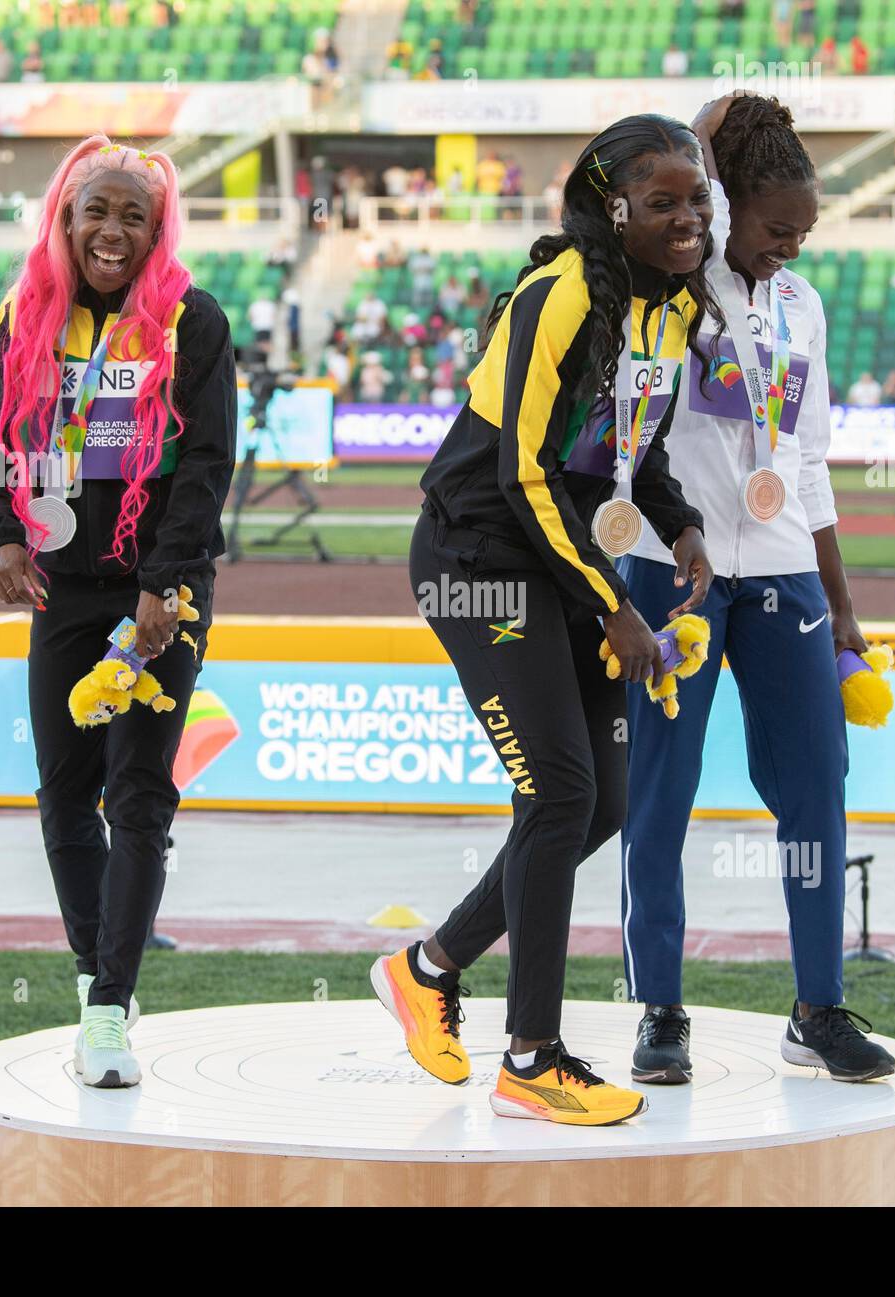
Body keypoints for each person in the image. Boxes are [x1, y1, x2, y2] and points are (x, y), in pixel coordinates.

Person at [373, 114, 717, 1126]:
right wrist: (615, 607)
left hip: (560, 563)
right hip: (479, 559)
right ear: (614, 208)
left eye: (696, 198)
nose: (687, 216)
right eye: (663, 201)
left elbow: (628, 447)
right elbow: (522, 471)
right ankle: (531, 1054)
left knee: (597, 802)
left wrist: (682, 527)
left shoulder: (671, 305)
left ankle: (425, 968)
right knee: (562, 789)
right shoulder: (558, 293)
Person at [619, 93, 895, 1087]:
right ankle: (658, 1010)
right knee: (659, 793)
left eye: (804, 233)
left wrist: (844, 606)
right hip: (670, 567)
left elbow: (810, 460)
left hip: (785, 572)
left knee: (816, 789)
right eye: (777, 229)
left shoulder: (802, 307)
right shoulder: (662, 292)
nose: (790, 248)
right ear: (726, 203)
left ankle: (817, 1008)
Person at [0, 137, 236, 1089]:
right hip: (63, 589)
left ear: (158, 231)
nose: (113, 230)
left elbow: (206, 467)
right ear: (65, 221)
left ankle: (111, 1006)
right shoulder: (25, 317)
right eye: (97, 212)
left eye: (135, 215)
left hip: (162, 592)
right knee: (62, 795)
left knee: (140, 795)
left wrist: (168, 584)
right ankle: (98, 983)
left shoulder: (191, 322)